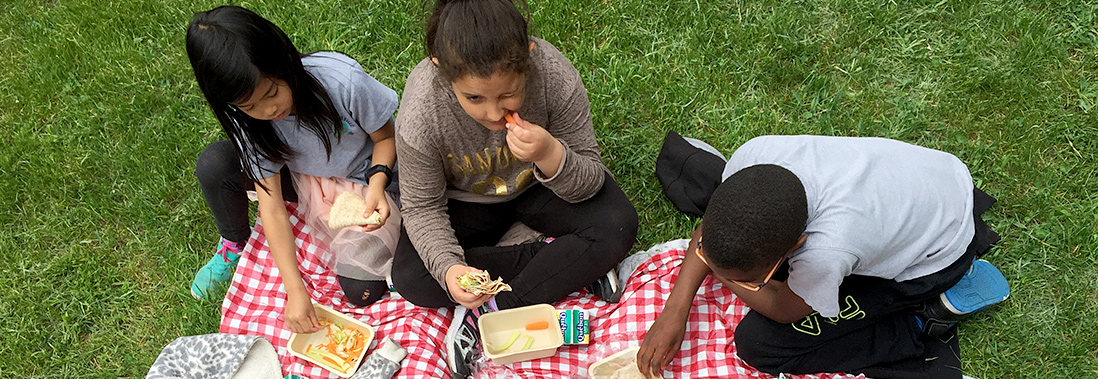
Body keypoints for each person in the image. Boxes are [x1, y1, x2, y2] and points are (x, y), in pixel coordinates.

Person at [391, 0, 639, 376]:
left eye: (508, 93)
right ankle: (562, 260)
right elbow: (422, 206)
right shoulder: (422, 111)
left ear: (529, 57)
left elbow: (590, 179)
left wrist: (550, 153)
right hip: (467, 201)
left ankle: (496, 309)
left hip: (539, 187)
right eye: (474, 98)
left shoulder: (553, 75)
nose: (493, 113)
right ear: (441, 70)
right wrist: (451, 269)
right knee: (414, 277)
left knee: (617, 224)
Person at [637, 135, 1008, 378]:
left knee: (759, 345)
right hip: (932, 179)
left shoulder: (826, 251)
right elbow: (709, 231)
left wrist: (720, 273)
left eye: (750, 281)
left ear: (797, 245)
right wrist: (675, 310)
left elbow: (783, 308)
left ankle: (921, 321)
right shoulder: (750, 159)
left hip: (939, 254)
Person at [185, 6, 402, 333]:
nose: (268, 110)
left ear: (284, 59)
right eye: (250, 106)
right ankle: (234, 243)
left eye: (272, 93)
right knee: (216, 164)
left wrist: (376, 185)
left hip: (367, 174)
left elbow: (386, 137)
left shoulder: (341, 81)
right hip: (306, 177)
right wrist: (295, 290)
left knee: (361, 290)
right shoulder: (249, 120)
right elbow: (271, 205)